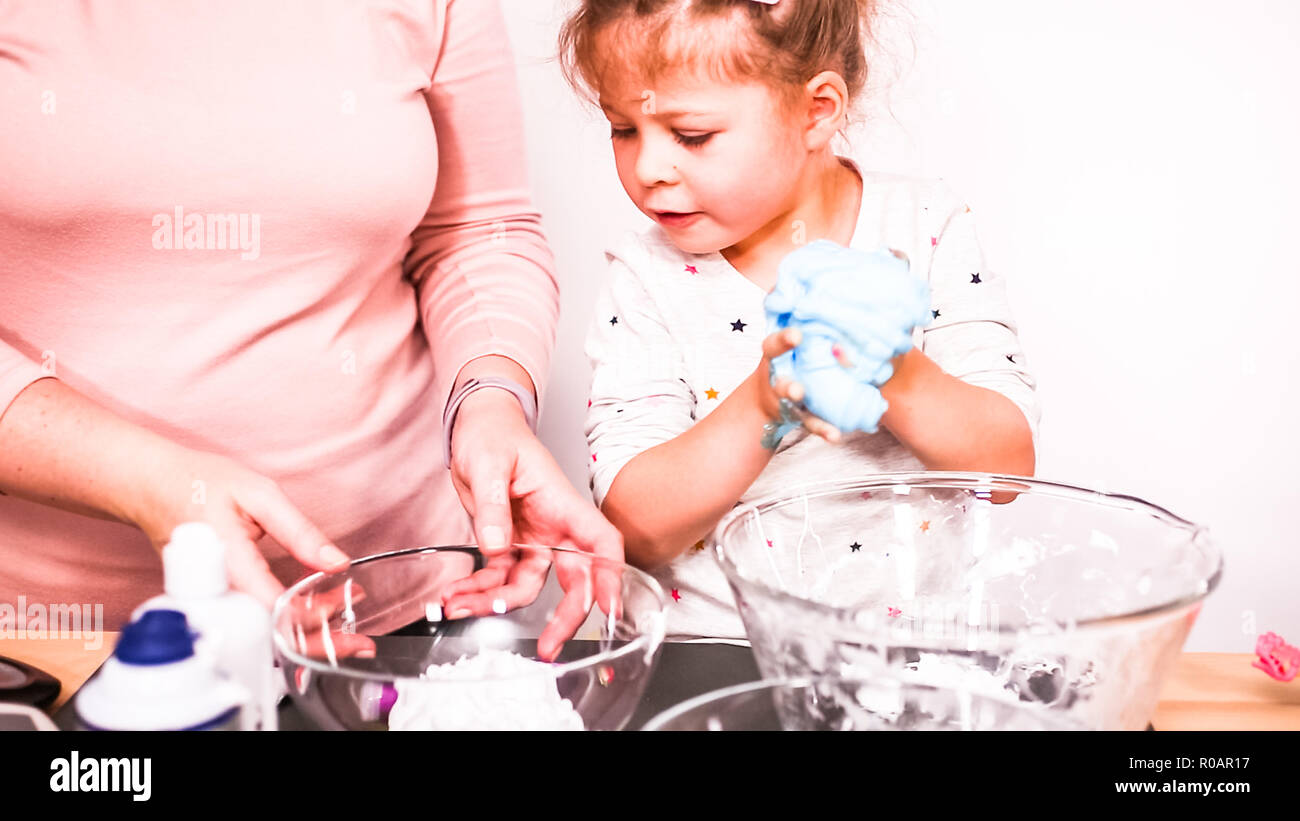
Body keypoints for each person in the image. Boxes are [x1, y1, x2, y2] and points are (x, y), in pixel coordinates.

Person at [0, 0, 619, 660]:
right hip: (52, 639)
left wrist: (491, 402)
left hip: (392, 604)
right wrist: (144, 478)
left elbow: (473, 232)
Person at [560, 0, 1040, 638]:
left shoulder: (925, 229)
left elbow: (1006, 469)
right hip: (708, 657)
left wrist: (885, 365)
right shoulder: (647, 275)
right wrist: (768, 397)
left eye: (692, 134)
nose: (648, 170)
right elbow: (636, 529)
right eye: (623, 129)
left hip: (906, 657)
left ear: (817, 110)